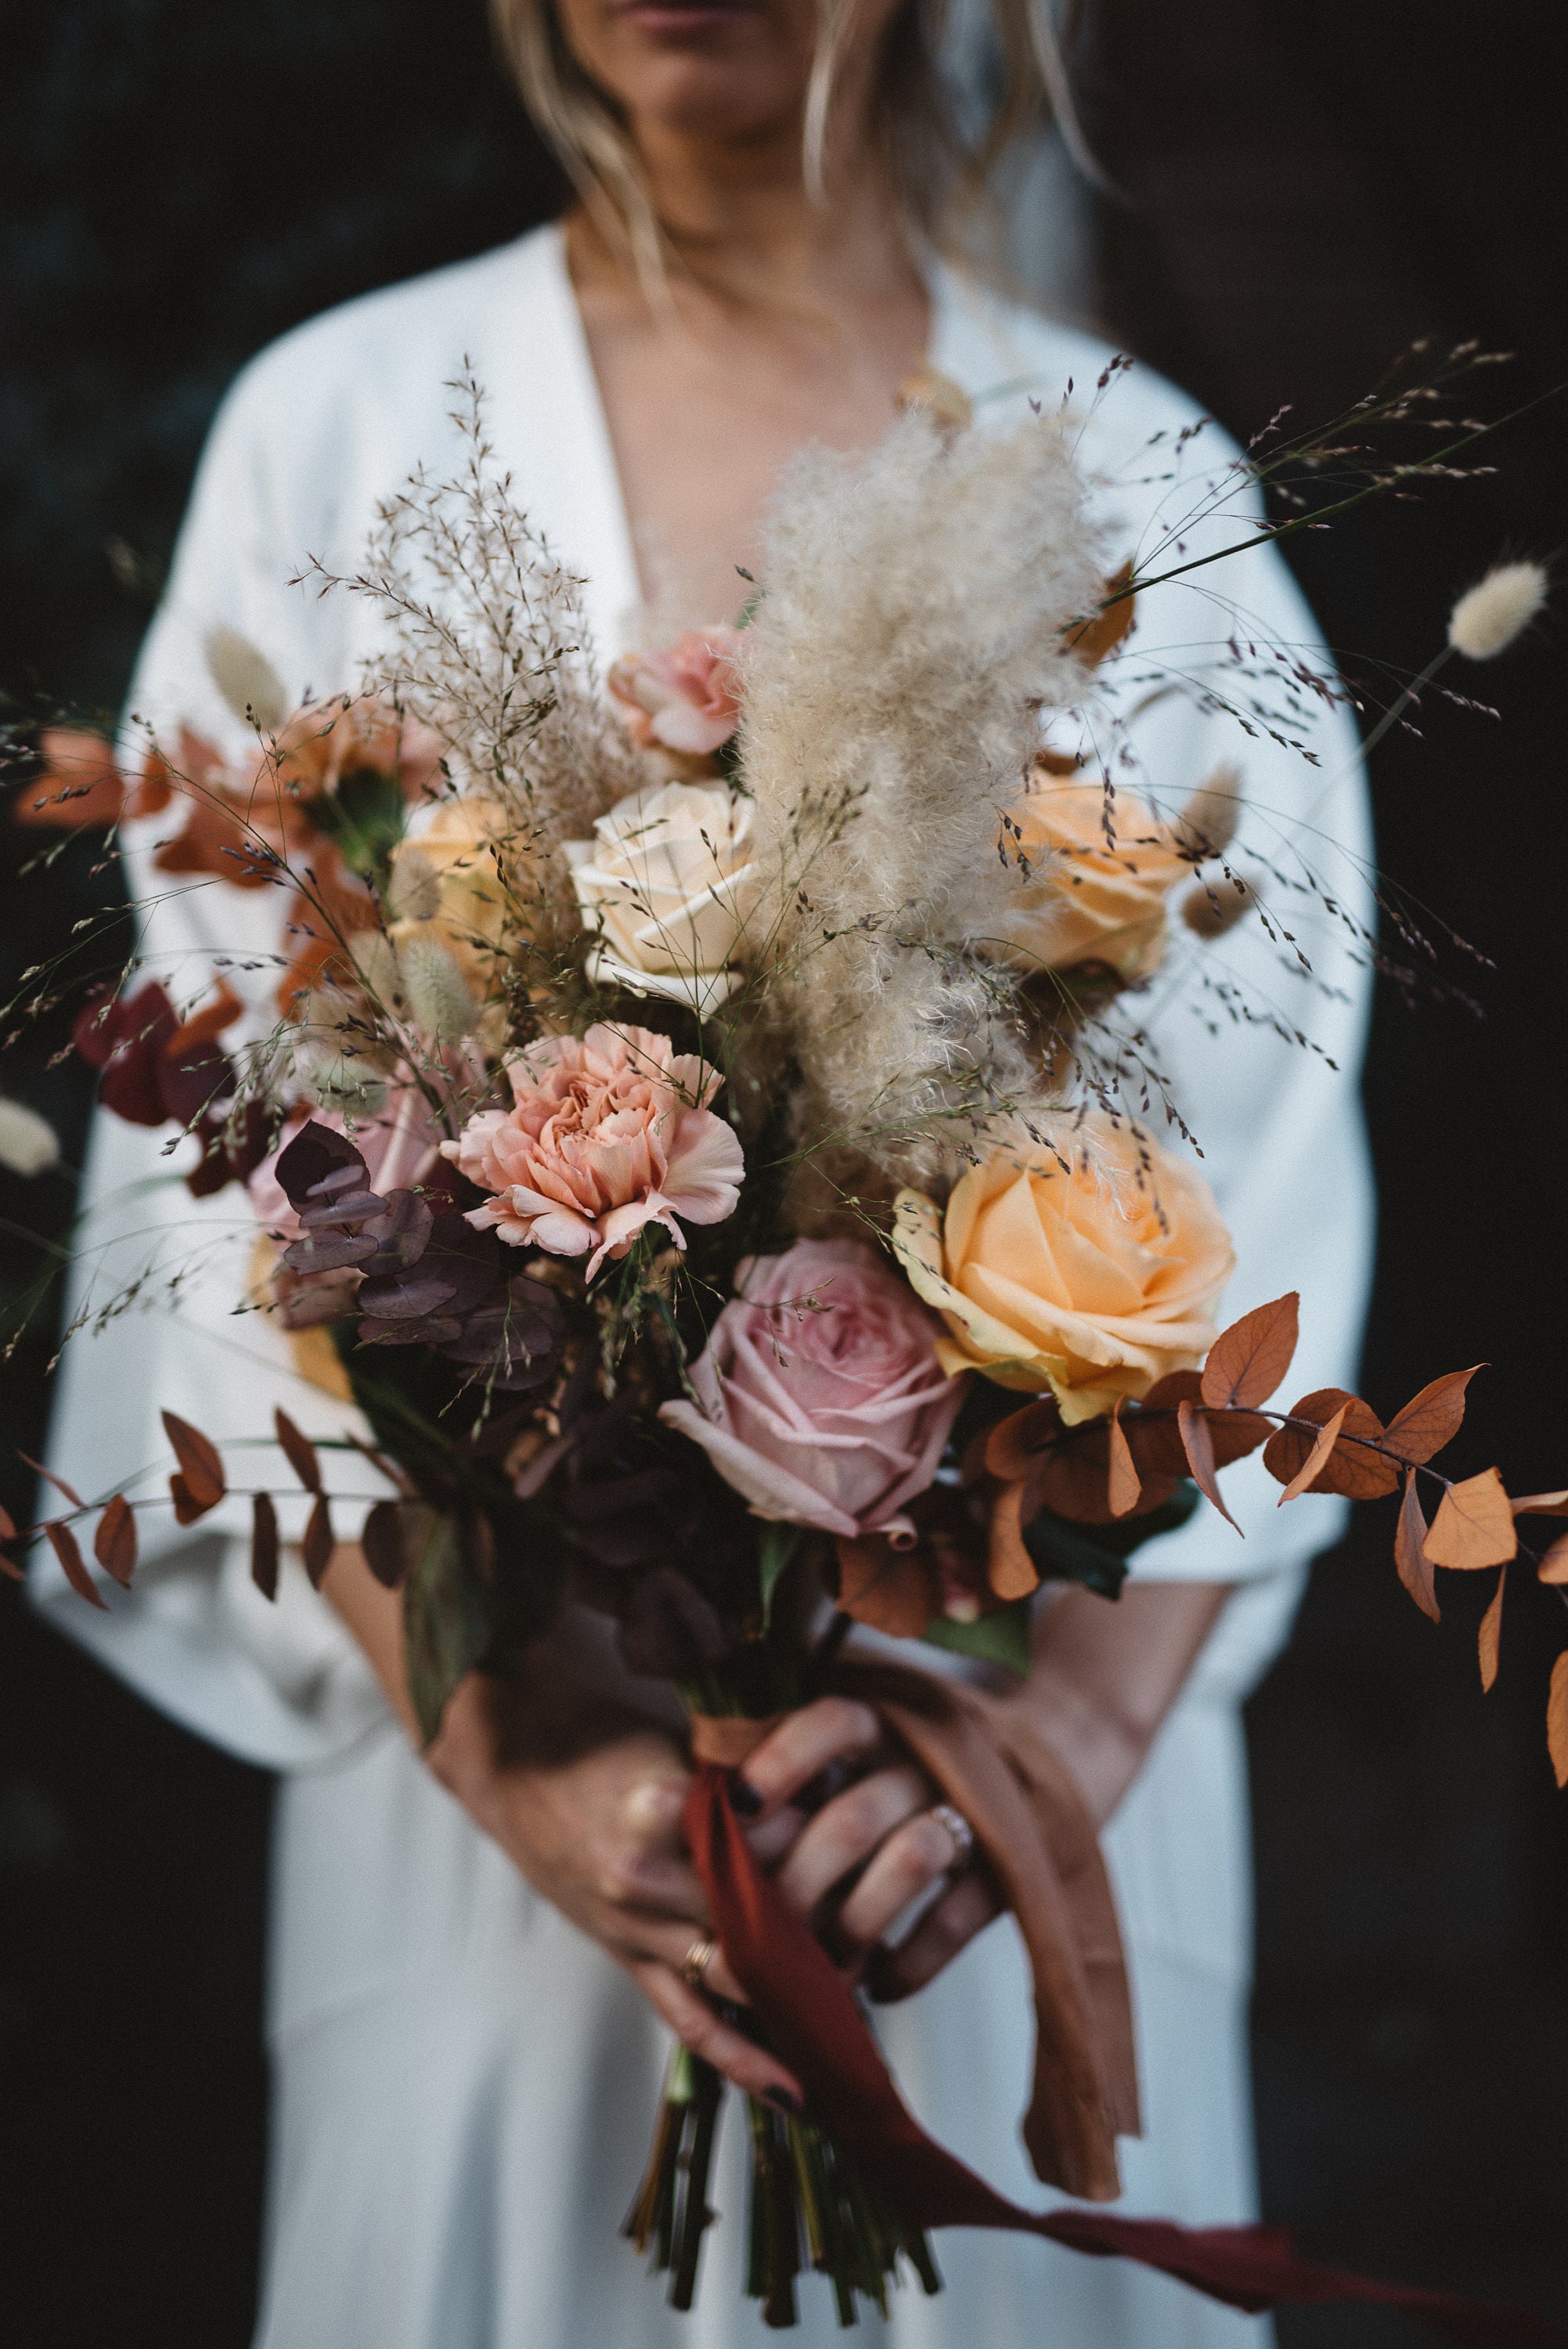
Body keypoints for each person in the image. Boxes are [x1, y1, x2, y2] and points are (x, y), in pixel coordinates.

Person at [34, 0, 1375, 2341]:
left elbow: (1259, 1187)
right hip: (509, 1817)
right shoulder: (344, 424)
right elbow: (236, 1192)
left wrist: (1044, 1753)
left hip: (983, 1811)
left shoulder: (1132, 478)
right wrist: (519, 1766)